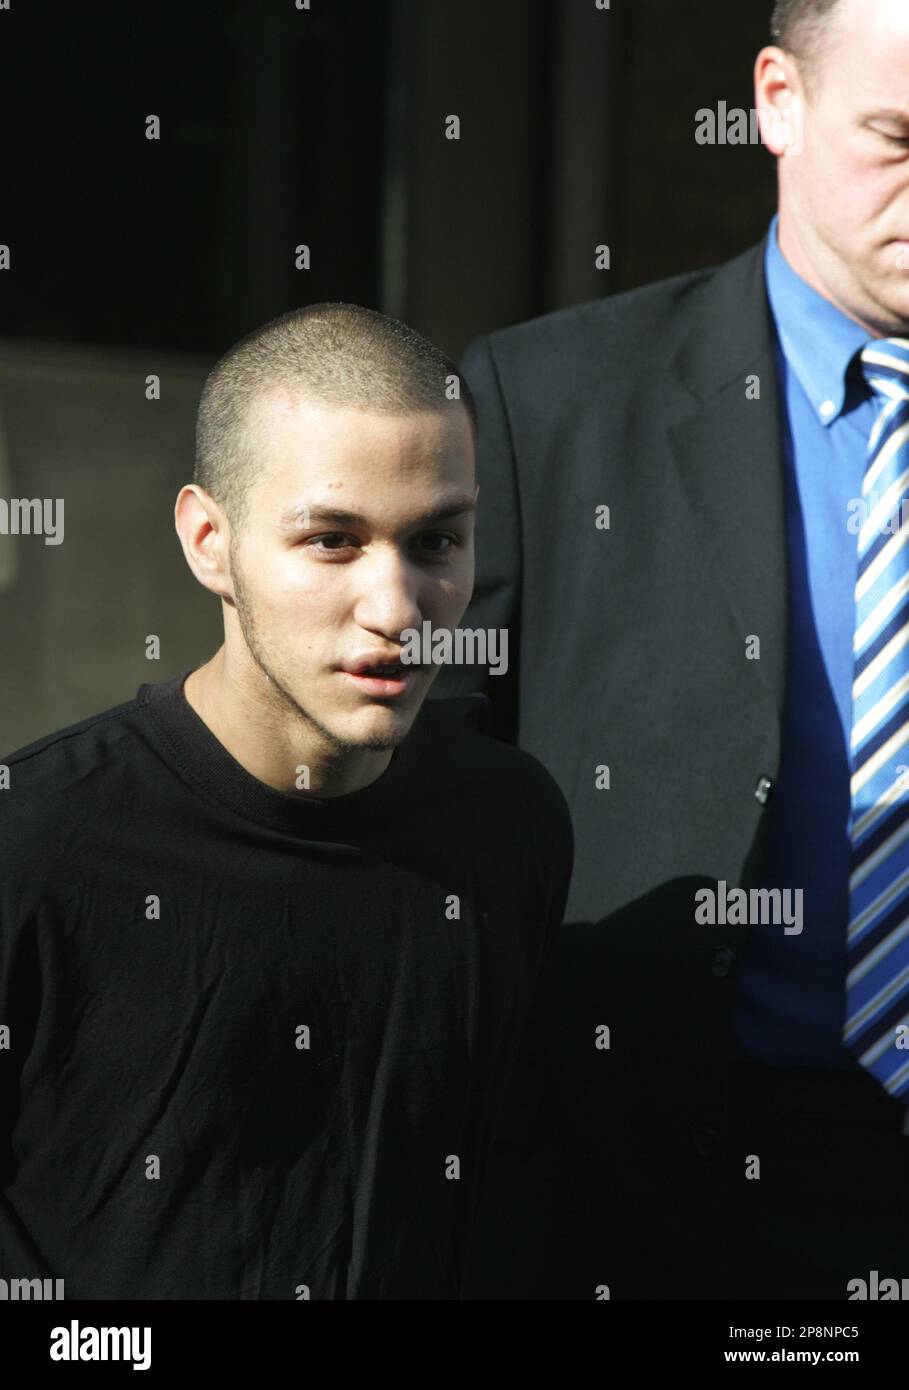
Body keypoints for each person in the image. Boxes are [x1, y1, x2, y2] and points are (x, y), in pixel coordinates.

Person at [432, 0, 909, 1300]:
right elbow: (428, 799)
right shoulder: (550, 406)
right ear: (775, 100)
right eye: (898, 140)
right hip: (647, 1185)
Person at [0, 303, 573, 1299]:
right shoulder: (37, 846)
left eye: (438, 540)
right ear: (209, 540)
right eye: (332, 541)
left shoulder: (507, 822)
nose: (397, 609)